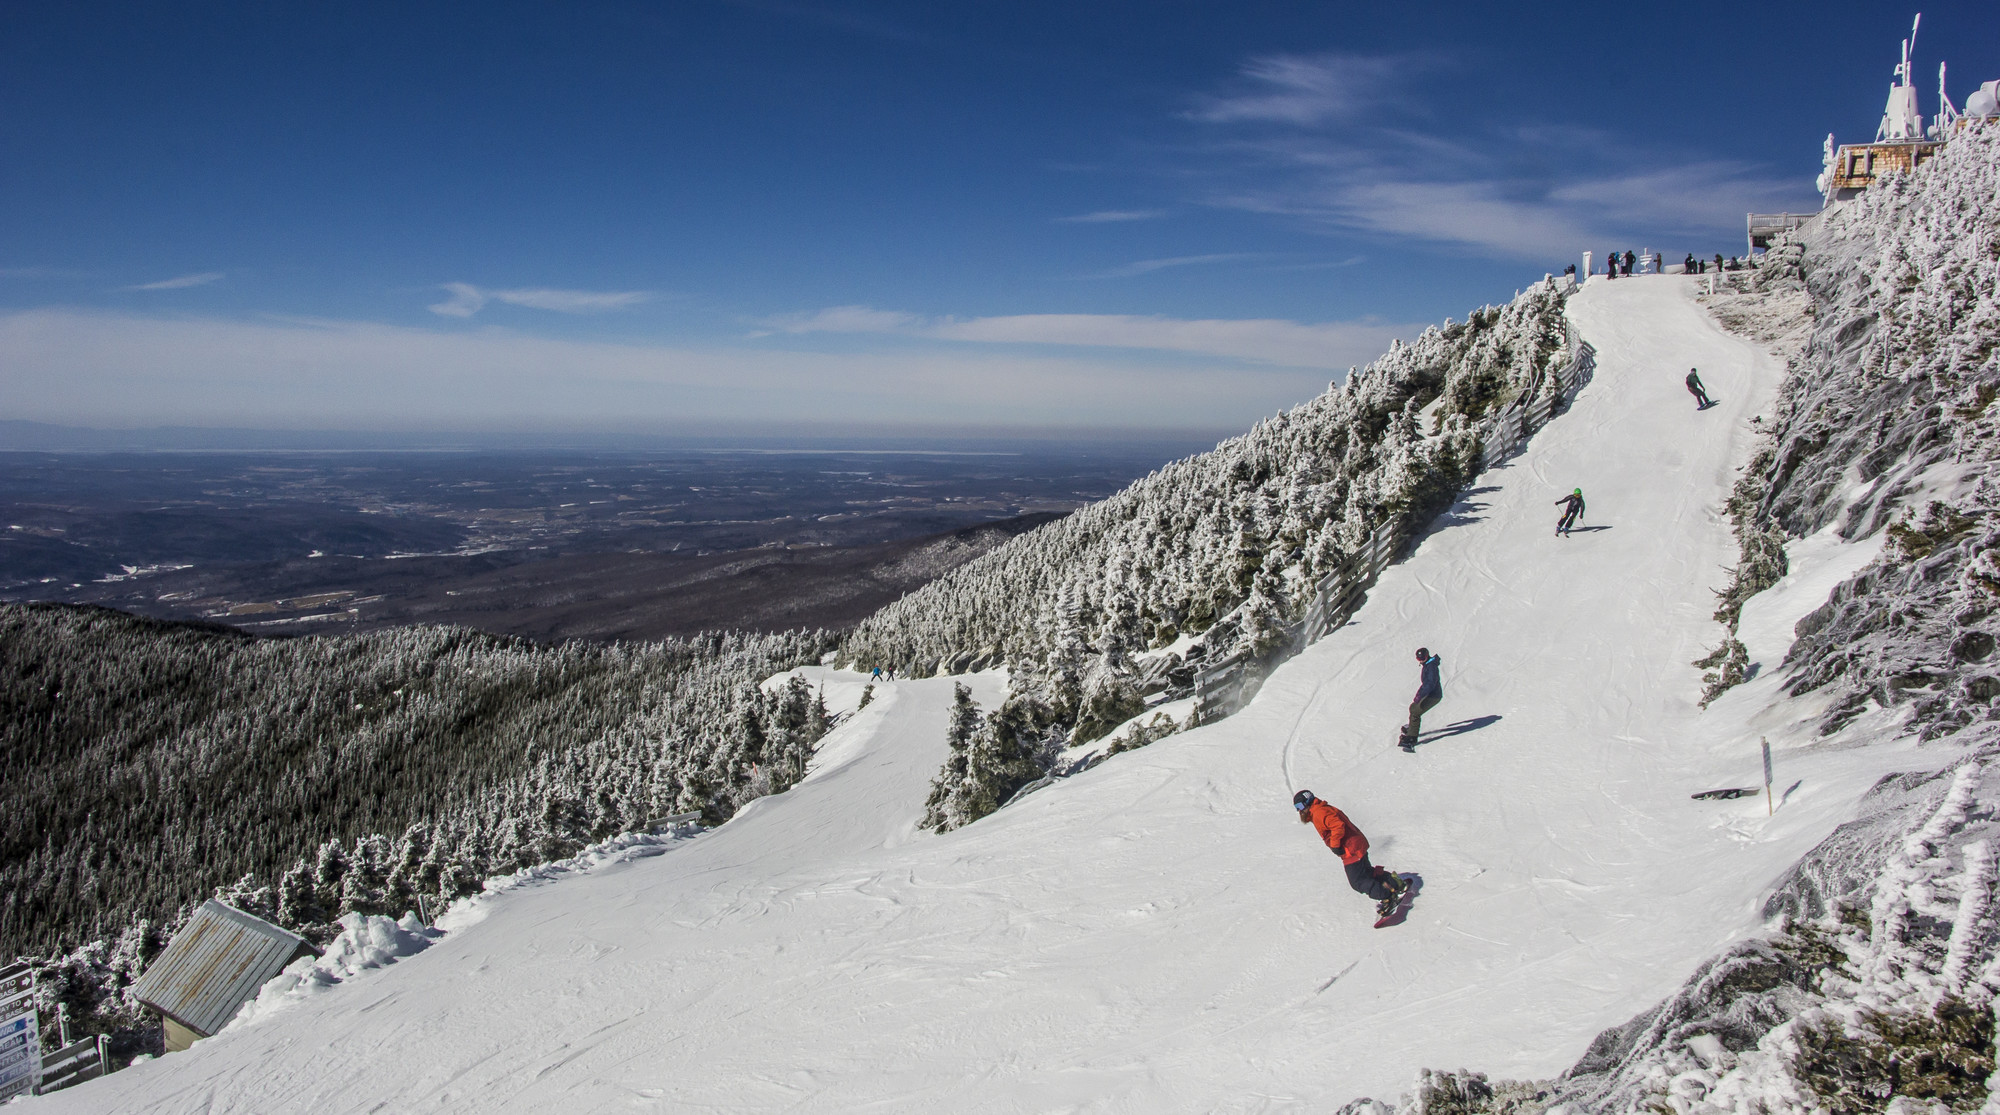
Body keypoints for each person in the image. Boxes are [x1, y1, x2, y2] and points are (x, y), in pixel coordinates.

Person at [1295, 790, 1407, 917]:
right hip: (1356, 844)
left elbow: (1338, 826)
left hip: (1351, 849)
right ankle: (1395, 883)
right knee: (1367, 873)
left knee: (1358, 882)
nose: (1299, 811)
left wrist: (1335, 845)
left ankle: (1388, 897)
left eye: (1299, 807)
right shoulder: (1320, 809)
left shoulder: (1319, 812)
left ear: (1307, 802)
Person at [1399, 647, 1443, 750]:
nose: (1421, 660)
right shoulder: (1428, 664)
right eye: (1419, 659)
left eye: (1422, 658)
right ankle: (1411, 728)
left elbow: (1430, 684)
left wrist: (1419, 695)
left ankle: (1412, 738)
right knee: (1413, 707)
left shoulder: (1431, 666)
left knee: (1415, 712)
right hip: (1430, 693)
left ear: (1427, 656)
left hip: (1433, 695)